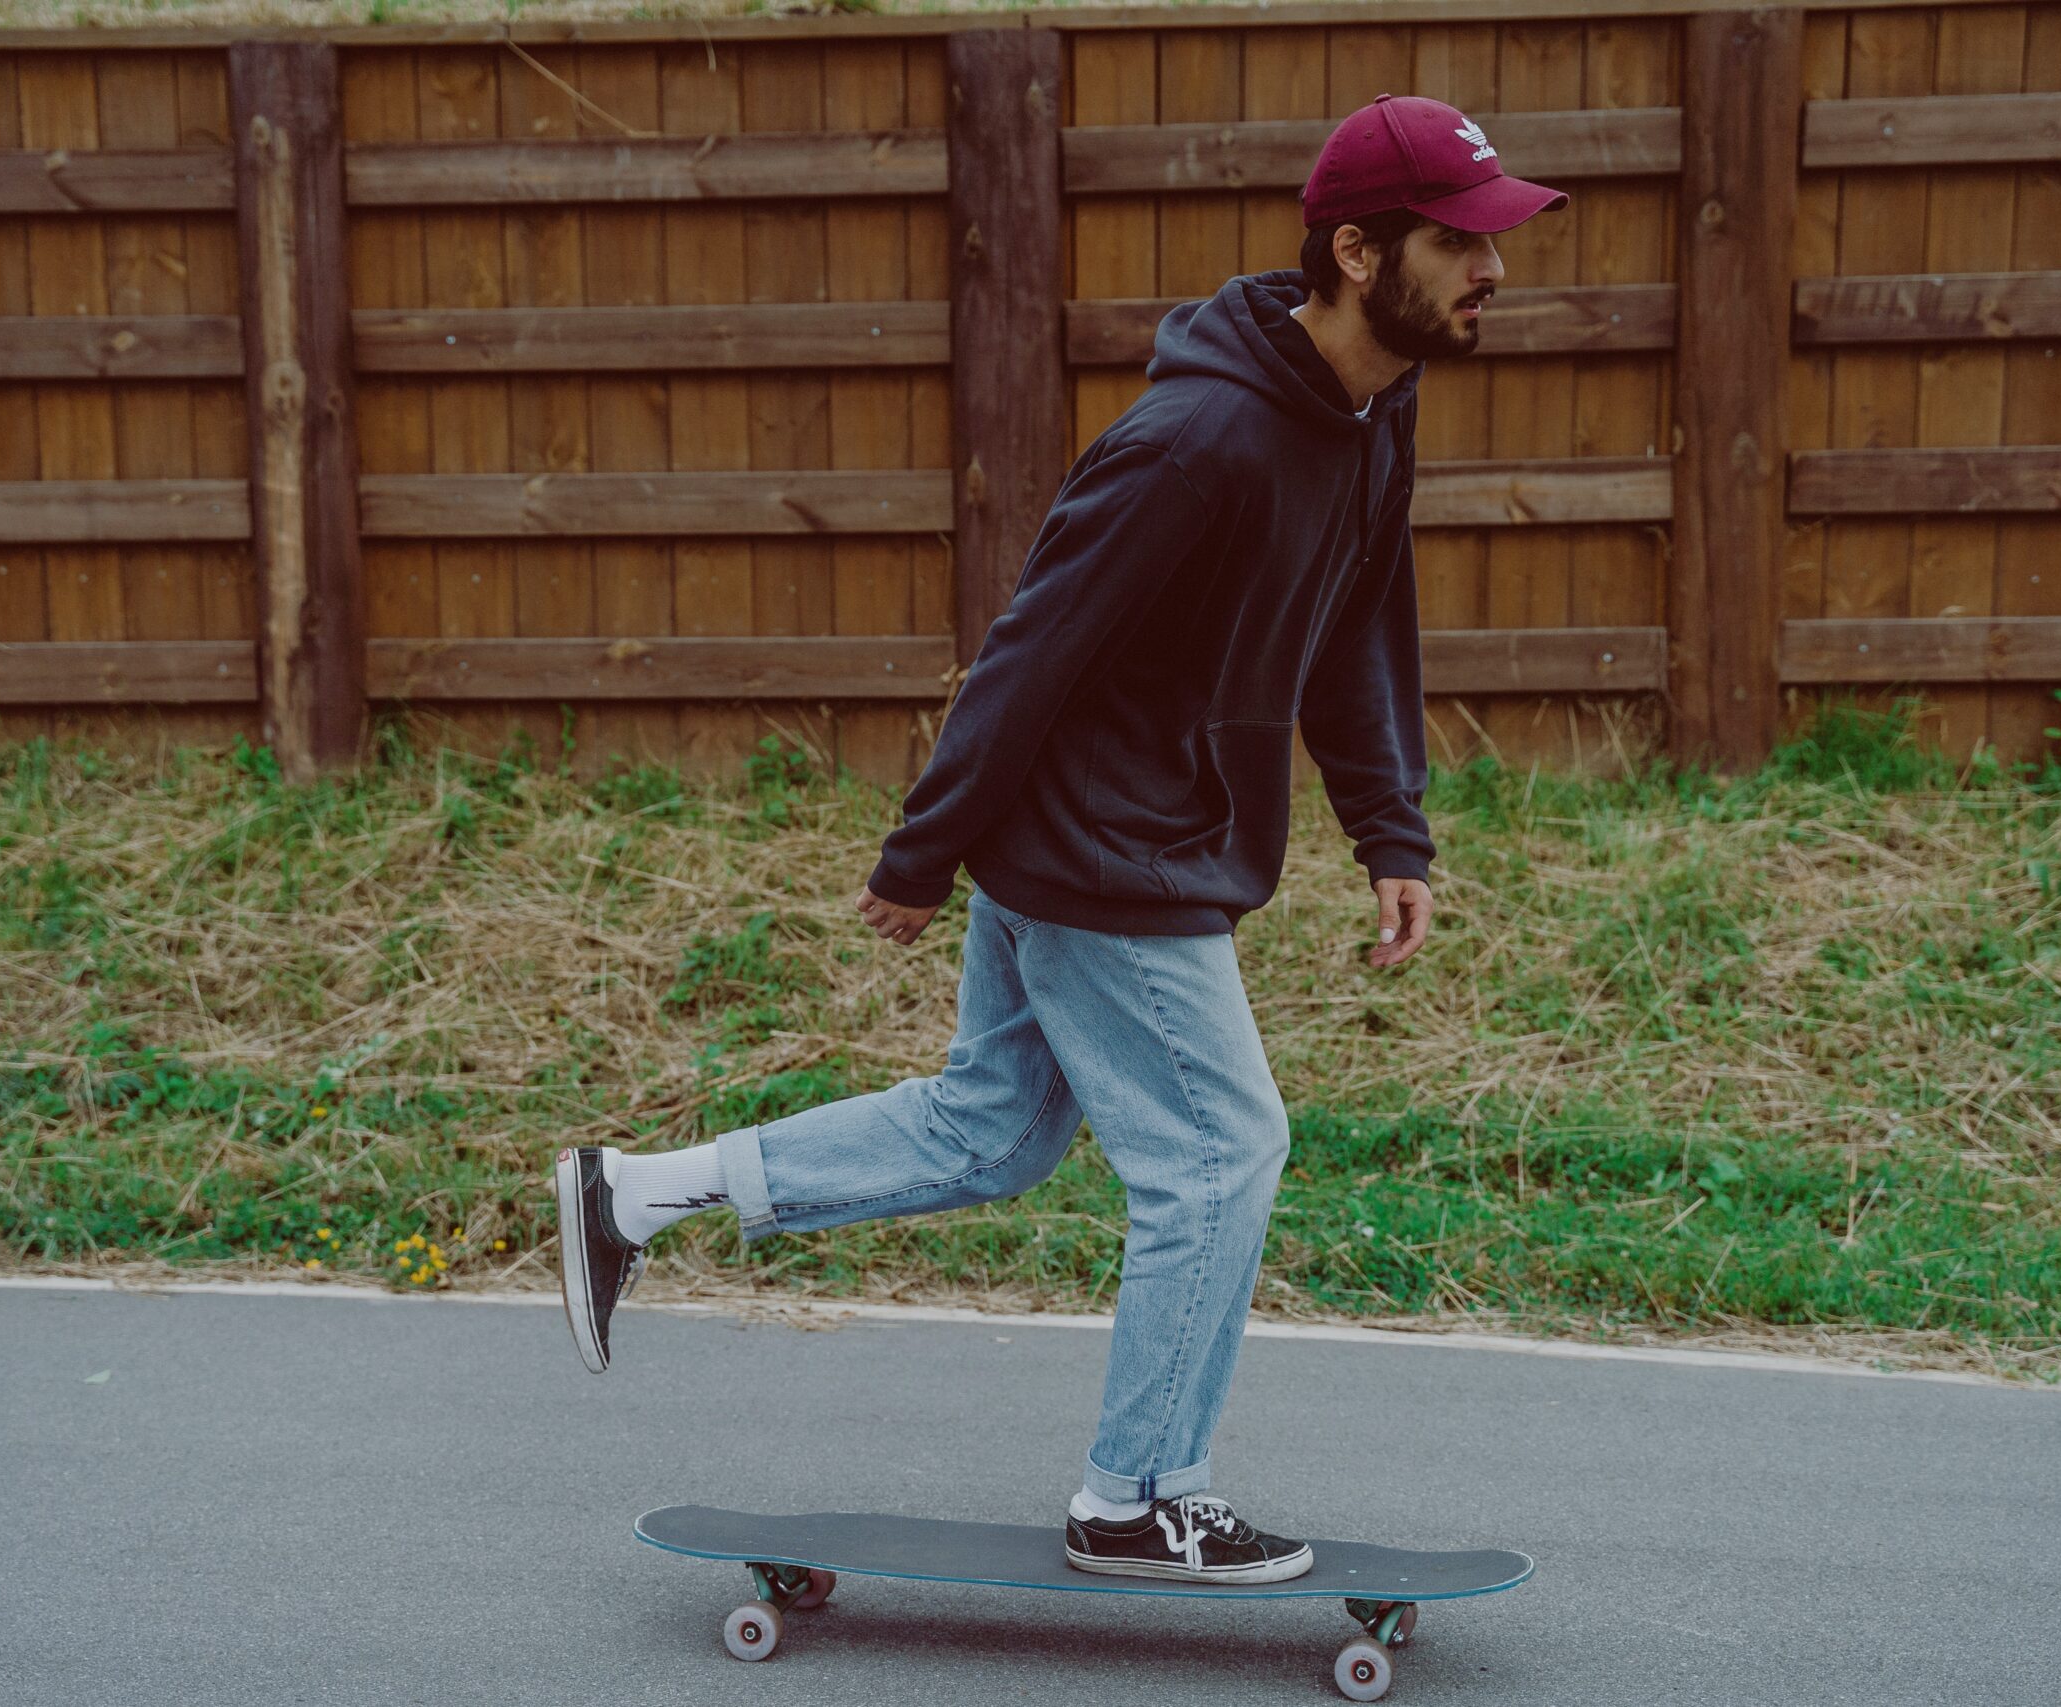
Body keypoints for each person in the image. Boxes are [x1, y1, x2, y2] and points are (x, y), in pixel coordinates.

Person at [554, 95, 1567, 1585]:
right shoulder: (1194, 440)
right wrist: (922, 850)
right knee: (1223, 1155)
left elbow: (1354, 620)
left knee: (996, 1131)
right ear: (1357, 251)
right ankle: (1135, 1498)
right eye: (1461, 243)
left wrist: (1388, 829)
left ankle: (637, 1193)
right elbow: (1034, 647)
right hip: (1111, 847)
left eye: (1493, 243)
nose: (1494, 272)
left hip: (1124, 834)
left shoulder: (1368, 415)